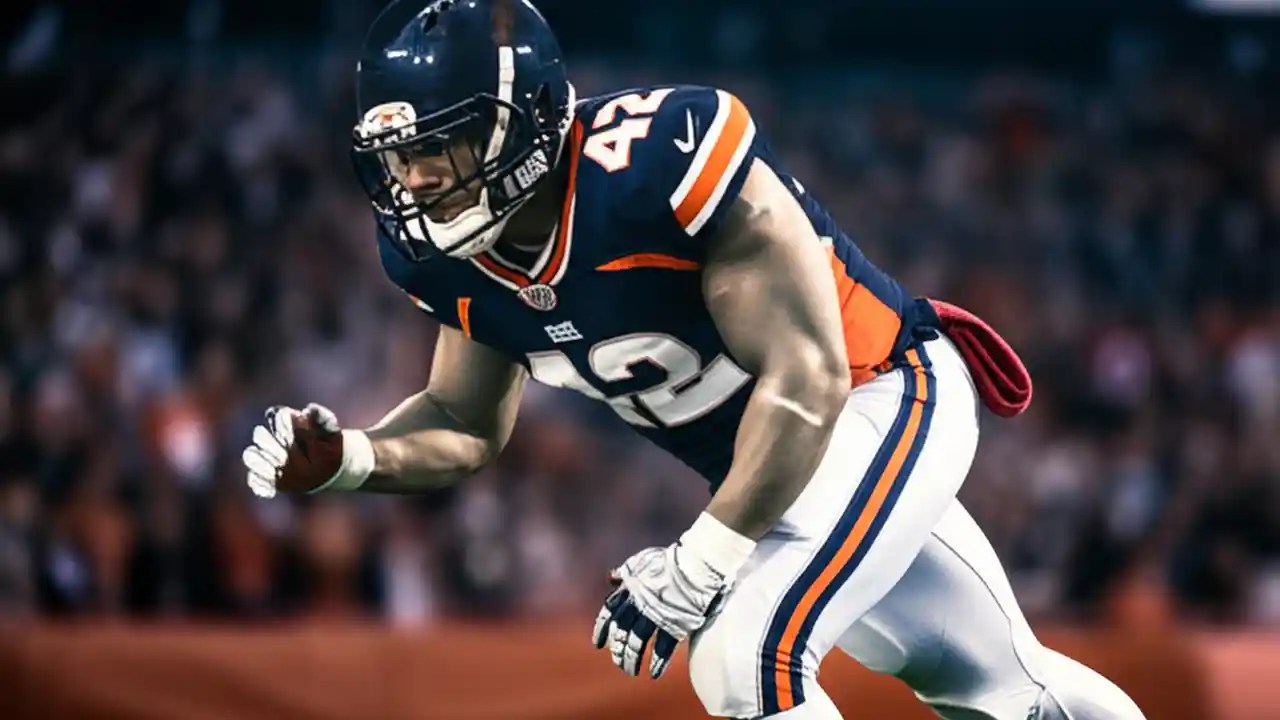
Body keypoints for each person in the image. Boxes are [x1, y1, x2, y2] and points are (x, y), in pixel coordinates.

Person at [241, 1, 1147, 717]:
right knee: (1004, 690)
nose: (418, 179)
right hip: (787, 476)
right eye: (400, 155)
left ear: (525, 123)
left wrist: (701, 561)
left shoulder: (661, 162)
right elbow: (462, 422)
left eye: (442, 143)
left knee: (746, 654)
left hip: (881, 396)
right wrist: (353, 460)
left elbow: (809, 379)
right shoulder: (443, 258)